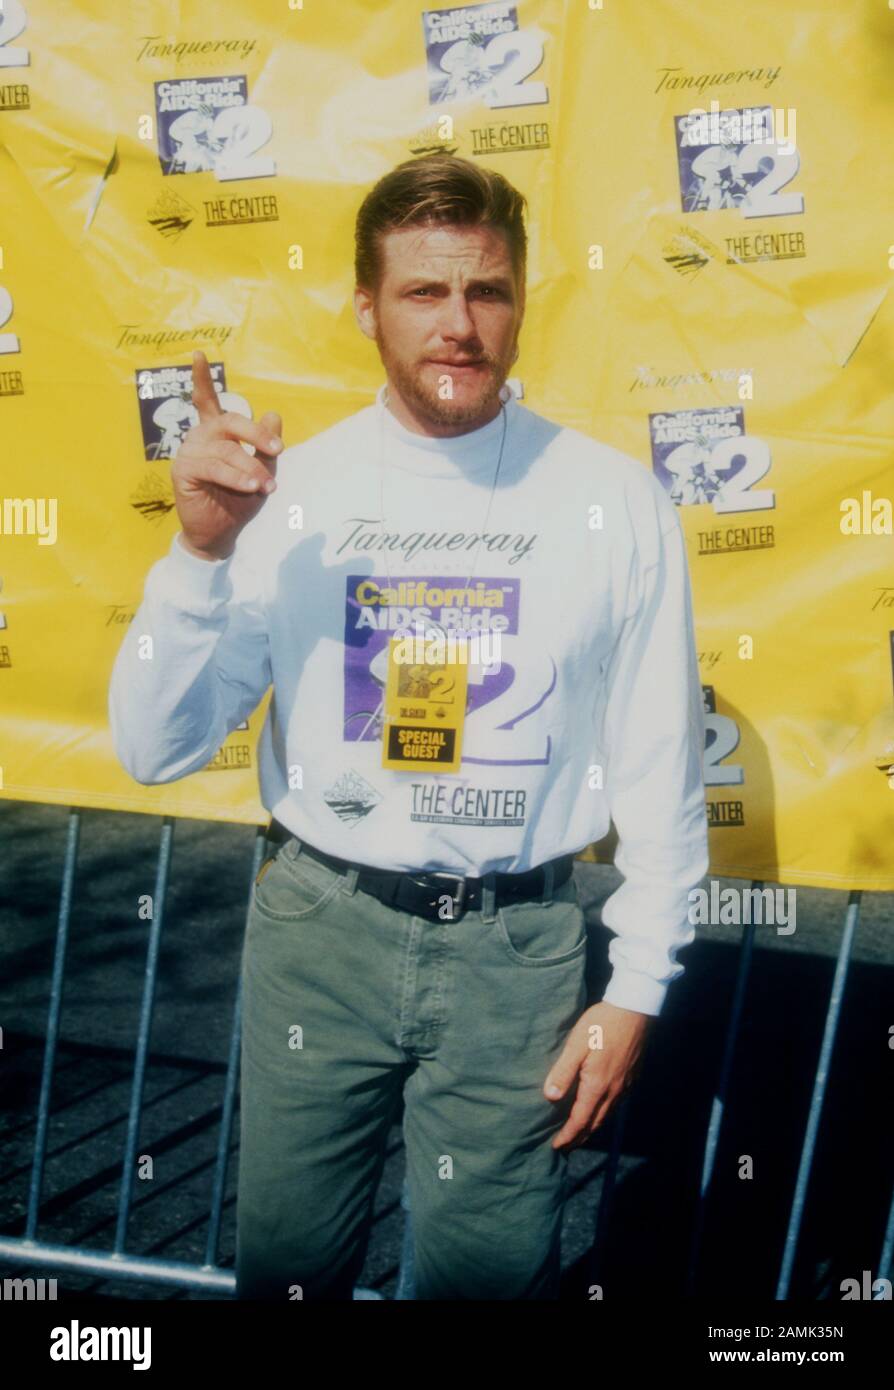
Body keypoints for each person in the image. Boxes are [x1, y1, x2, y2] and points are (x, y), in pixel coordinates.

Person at [108, 152, 709, 1301]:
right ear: (366, 307)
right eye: (423, 293)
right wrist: (197, 553)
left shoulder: (613, 499)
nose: (458, 327)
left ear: (524, 298)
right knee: (289, 1275)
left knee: (486, 1285)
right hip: (317, 939)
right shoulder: (292, 494)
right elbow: (155, 744)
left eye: (486, 290)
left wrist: (635, 987)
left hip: (515, 954)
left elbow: (659, 769)